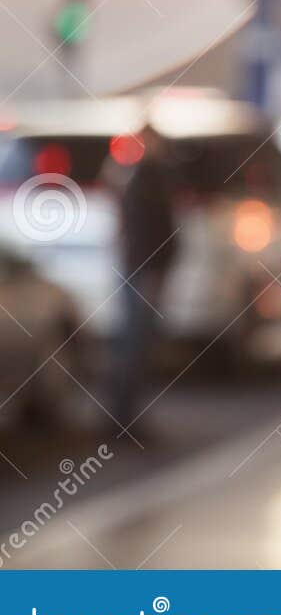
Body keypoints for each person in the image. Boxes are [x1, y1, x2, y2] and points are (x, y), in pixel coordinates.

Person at [106, 124, 179, 438]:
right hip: (143, 272)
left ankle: (124, 417)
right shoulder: (145, 178)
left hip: (142, 270)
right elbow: (147, 231)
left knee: (136, 346)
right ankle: (122, 420)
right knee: (135, 347)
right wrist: (151, 270)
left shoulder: (144, 176)